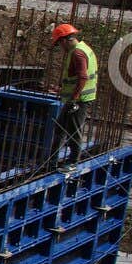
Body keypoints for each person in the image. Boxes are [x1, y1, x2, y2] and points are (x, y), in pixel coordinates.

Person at [51, 23, 96, 161]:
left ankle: (72, 162)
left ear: (64, 40)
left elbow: (83, 77)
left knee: (73, 132)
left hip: (80, 100)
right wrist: (62, 89)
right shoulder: (83, 48)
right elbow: (75, 77)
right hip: (77, 97)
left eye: (59, 44)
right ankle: (51, 160)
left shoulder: (77, 53)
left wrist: (73, 99)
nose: (60, 47)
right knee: (60, 128)